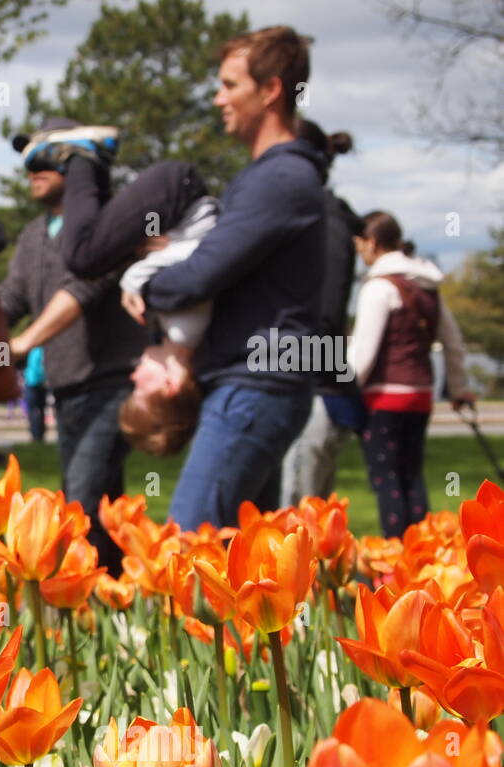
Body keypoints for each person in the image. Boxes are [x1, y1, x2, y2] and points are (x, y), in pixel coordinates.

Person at [125, 27, 328, 529]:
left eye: (229, 85)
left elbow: (198, 277)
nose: (218, 99)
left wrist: (145, 287)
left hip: (255, 385)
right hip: (255, 383)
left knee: (189, 546)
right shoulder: (274, 178)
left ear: (271, 90)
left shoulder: (280, 180)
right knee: (245, 563)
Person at [3, 117, 149, 573]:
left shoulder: (110, 223)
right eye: (28, 160)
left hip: (111, 381)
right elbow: (11, 297)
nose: (33, 169)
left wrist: (24, 342)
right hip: (65, 388)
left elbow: (82, 292)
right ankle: (116, 598)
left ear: (80, 165)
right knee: (101, 502)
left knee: (80, 502)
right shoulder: (32, 235)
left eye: (46, 159)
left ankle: (68, 602)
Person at [350, 212, 476, 537]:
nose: (359, 253)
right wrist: (459, 388)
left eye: (360, 245)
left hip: (384, 397)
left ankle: (394, 565)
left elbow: (363, 351)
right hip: (421, 395)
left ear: (373, 243)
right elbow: (454, 343)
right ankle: (423, 558)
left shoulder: (379, 287)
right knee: (412, 478)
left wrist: (347, 393)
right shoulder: (428, 288)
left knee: (387, 481)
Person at [279, 120, 363, 507]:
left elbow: (325, 313)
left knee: (296, 516)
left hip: (314, 392)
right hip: (310, 386)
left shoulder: (324, 221)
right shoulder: (318, 217)